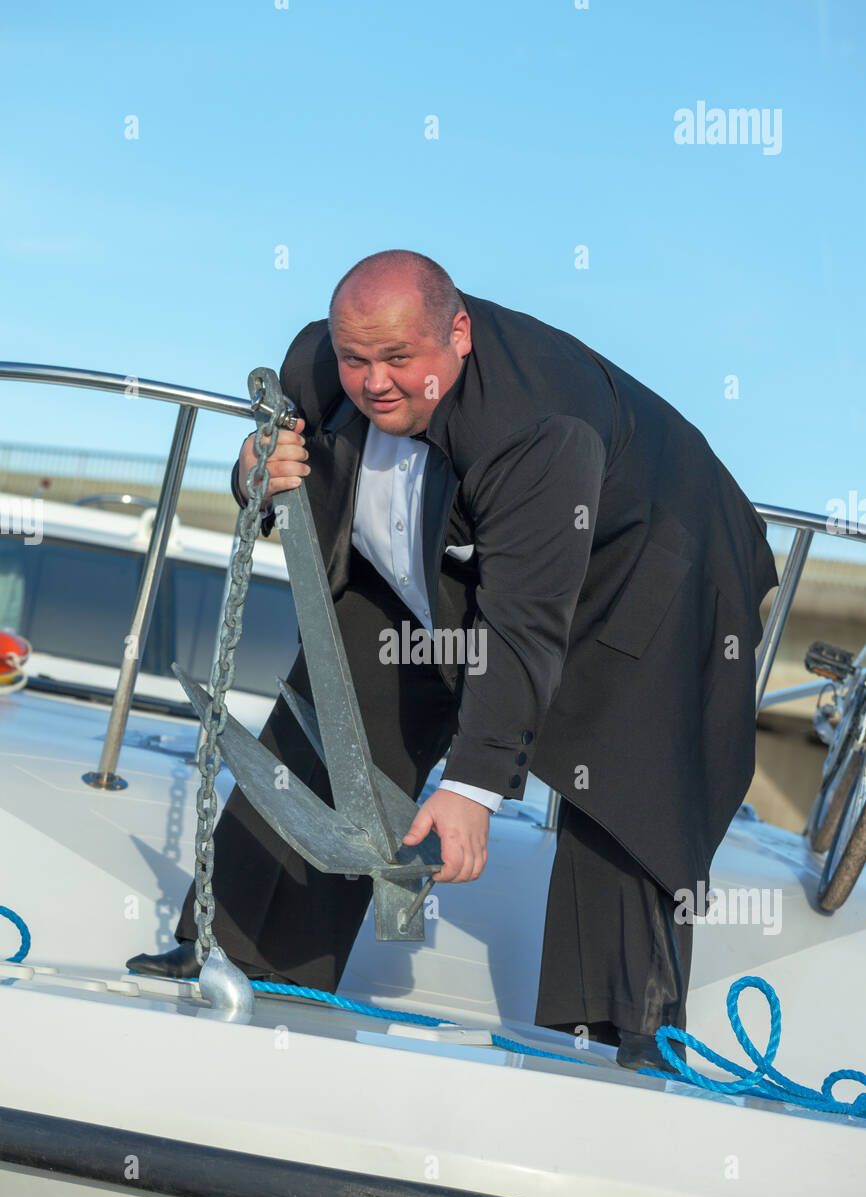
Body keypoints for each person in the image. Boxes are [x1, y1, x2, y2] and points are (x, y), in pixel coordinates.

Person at [128, 249, 778, 1071]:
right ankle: (248, 950)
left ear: (459, 334)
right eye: (356, 358)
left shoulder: (538, 425)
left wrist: (472, 790)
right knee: (350, 689)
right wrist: (252, 473)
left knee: (627, 770)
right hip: (458, 542)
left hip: (661, 561)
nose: (374, 381)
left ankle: (632, 1036)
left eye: (400, 358)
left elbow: (524, 621)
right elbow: (312, 480)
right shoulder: (314, 363)